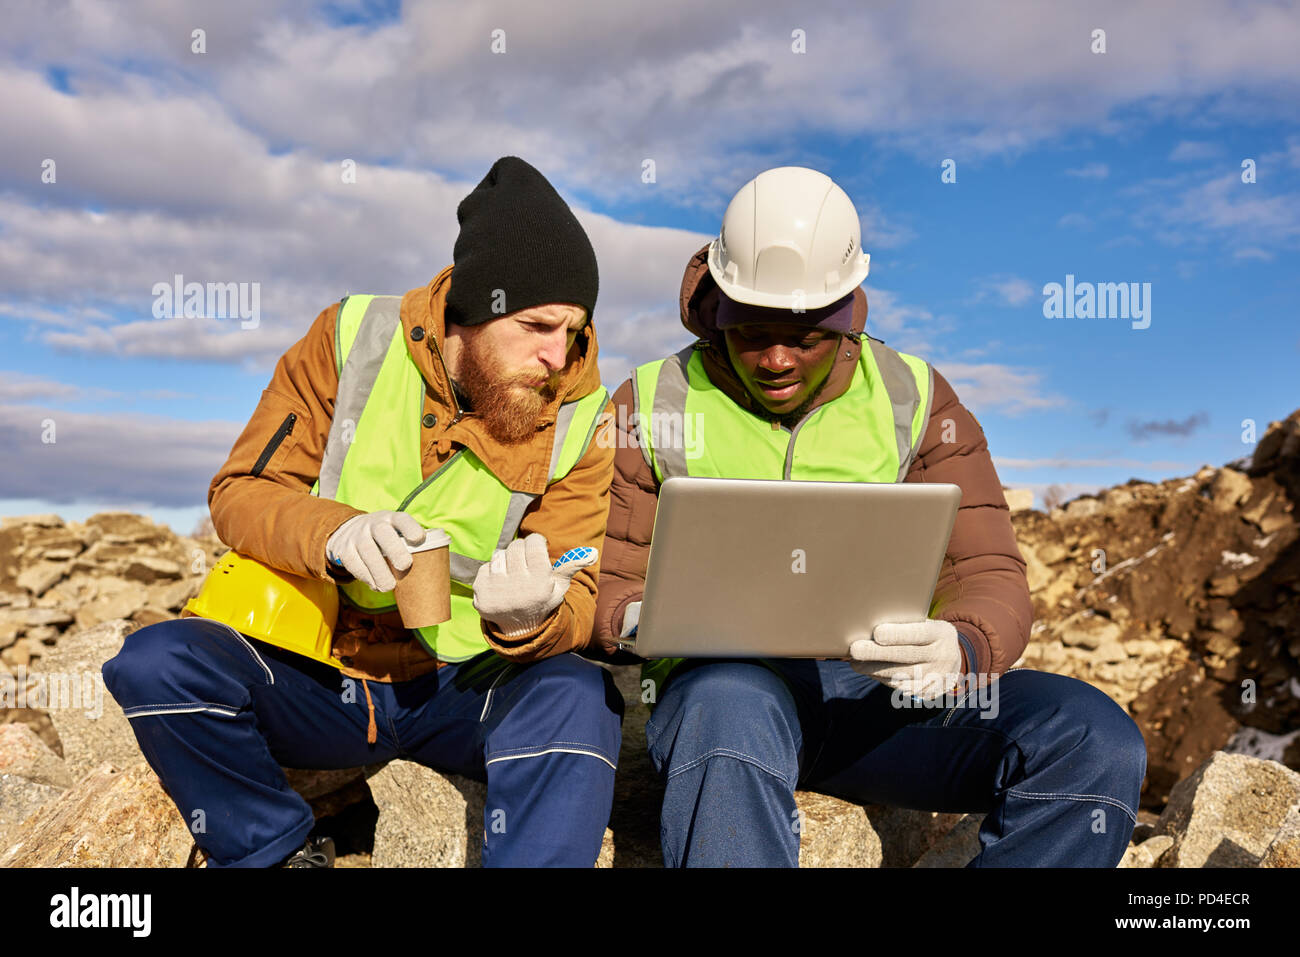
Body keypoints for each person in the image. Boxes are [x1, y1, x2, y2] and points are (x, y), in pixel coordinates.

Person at [591, 166, 1147, 867]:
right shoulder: (652, 400)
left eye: (805, 336)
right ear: (720, 304)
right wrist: (633, 614)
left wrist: (963, 645)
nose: (775, 358)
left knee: (1094, 739)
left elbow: (987, 568)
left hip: (885, 701)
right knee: (727, 704)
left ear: (848, 310)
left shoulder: (912, 395)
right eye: (751, 331)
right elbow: (593, 567)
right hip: (728, 696)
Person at [104, 156, 623, 868]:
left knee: (579, 692)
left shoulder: (585, 414)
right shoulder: (350, 338)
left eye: (573, 330)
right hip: (320, 668)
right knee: (158, 663)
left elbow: (581, 582)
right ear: (473, 311)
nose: (556, 356)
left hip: (464, 682)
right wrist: (336, 532)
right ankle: (276, 852)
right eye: (536, 326)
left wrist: (534, 620)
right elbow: (241, 489)